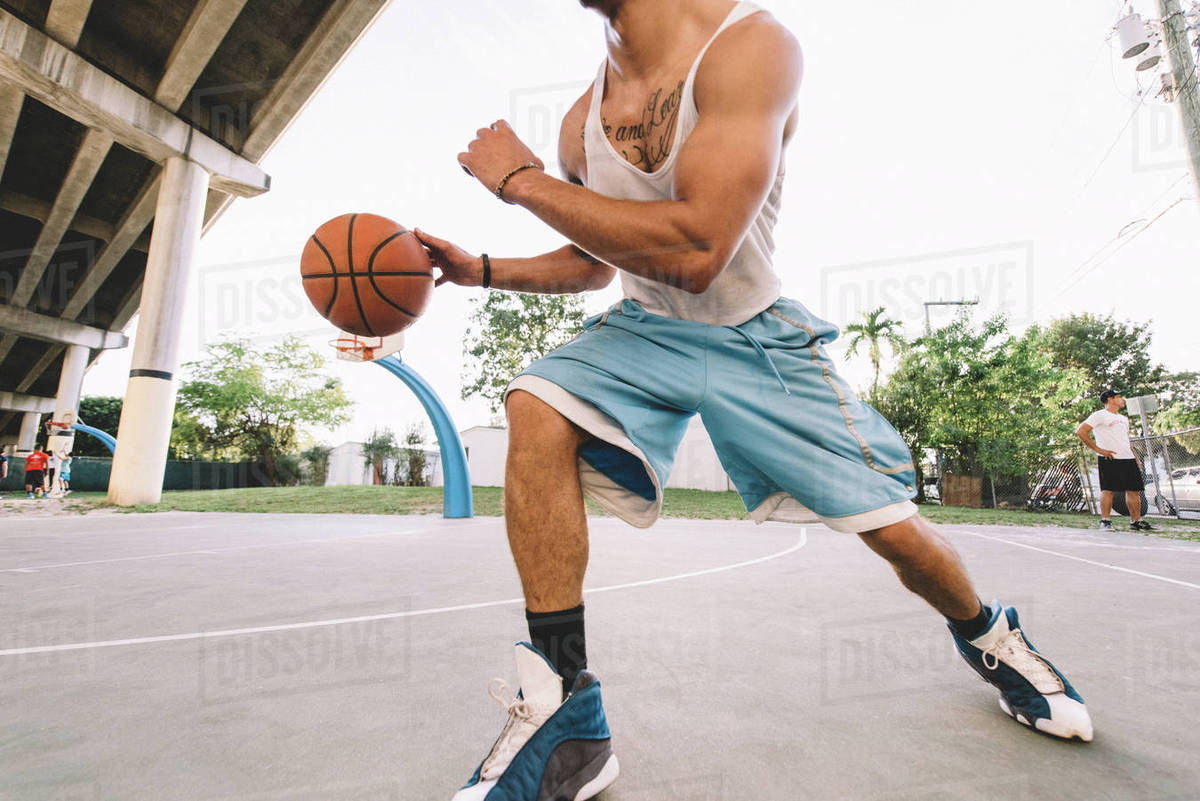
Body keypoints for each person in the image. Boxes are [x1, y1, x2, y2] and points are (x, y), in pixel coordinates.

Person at [417, 2, 1093, 797]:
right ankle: (568, 711)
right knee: (537, 398)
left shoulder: (751, 47)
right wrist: (483, 268)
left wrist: (521, 183)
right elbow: (595, 260)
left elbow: (700, 246)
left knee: (894, 532)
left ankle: (992, 634)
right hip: (648, 327)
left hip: (754, 335)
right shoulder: (579, 123)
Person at [1076, 389, 1153, 532]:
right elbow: (1081, 431)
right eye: (1119, 397)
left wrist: (1136, 458)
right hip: (1109, 458)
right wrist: (1099, 450)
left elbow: (1126, 440)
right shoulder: (1099, 415)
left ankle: (1136, 521)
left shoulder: (1124, 419)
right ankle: (1105, 521)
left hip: (1128, 458)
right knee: (1108, 490)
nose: (1122, 400)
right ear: (1110, 399)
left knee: (1134, 491)